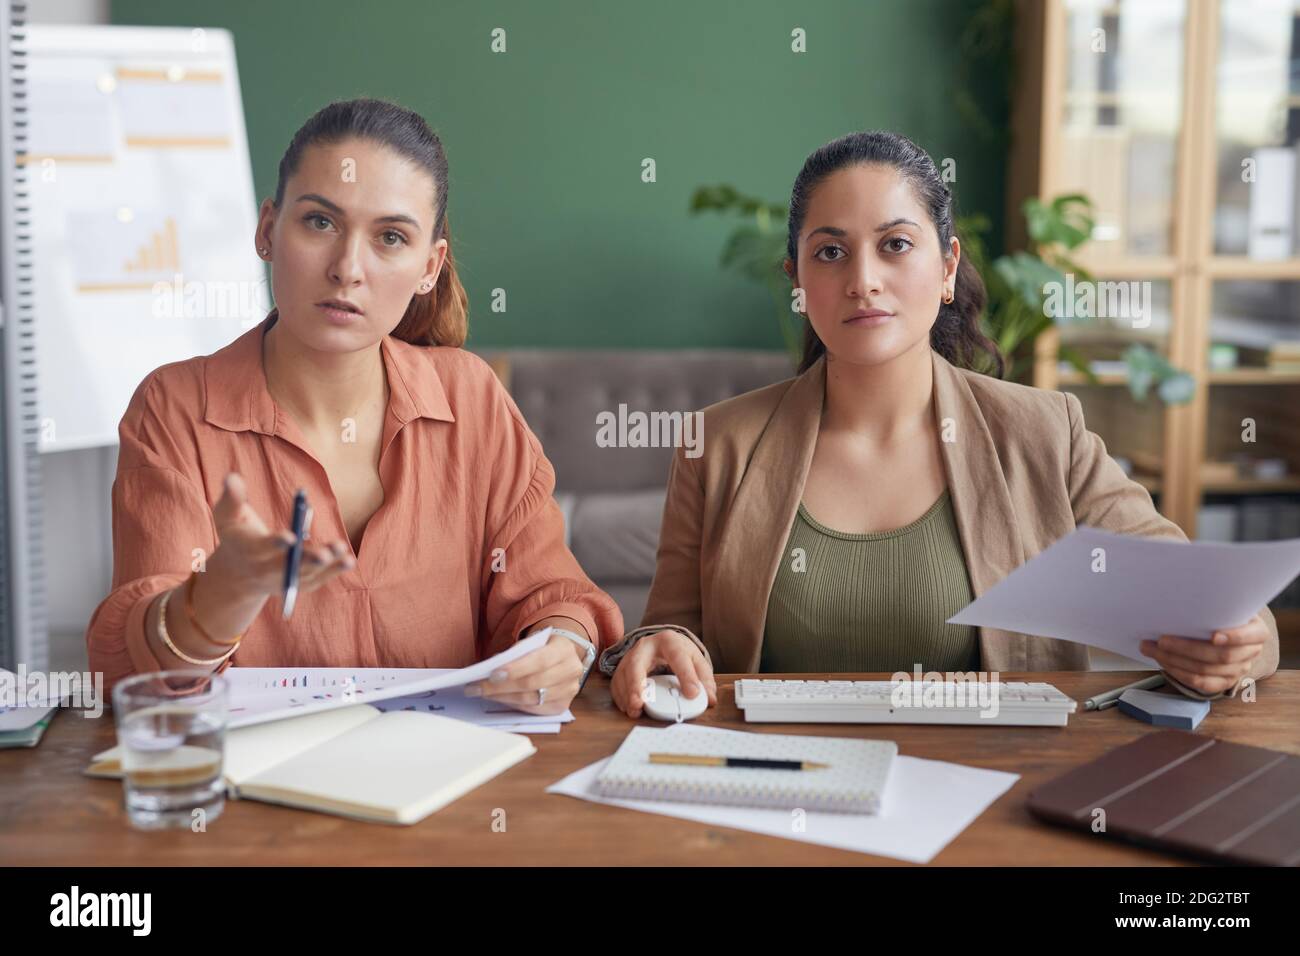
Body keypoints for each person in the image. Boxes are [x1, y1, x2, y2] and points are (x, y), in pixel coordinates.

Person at [602, 129, 1279, 718]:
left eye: (895, 244)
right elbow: (669, 632)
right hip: (779, 784)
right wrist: (662, 650)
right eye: (831, 253)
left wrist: (1241, 646)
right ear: (798, 282)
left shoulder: (1047, 434)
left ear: (948, 267)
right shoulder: (717, 445)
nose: (863, 280)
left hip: (994, 793)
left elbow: (1220, 606)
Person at [87, 98, 621, 715]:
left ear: (430, 266)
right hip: (262, 798)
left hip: (452, 785)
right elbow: (142, 682)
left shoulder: (471, 397)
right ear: (267, 229)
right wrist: (219, 597)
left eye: (390, 237)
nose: (347, 269)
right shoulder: (175, 408)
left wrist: (563, 645)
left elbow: (552, 591)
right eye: (319, 223)